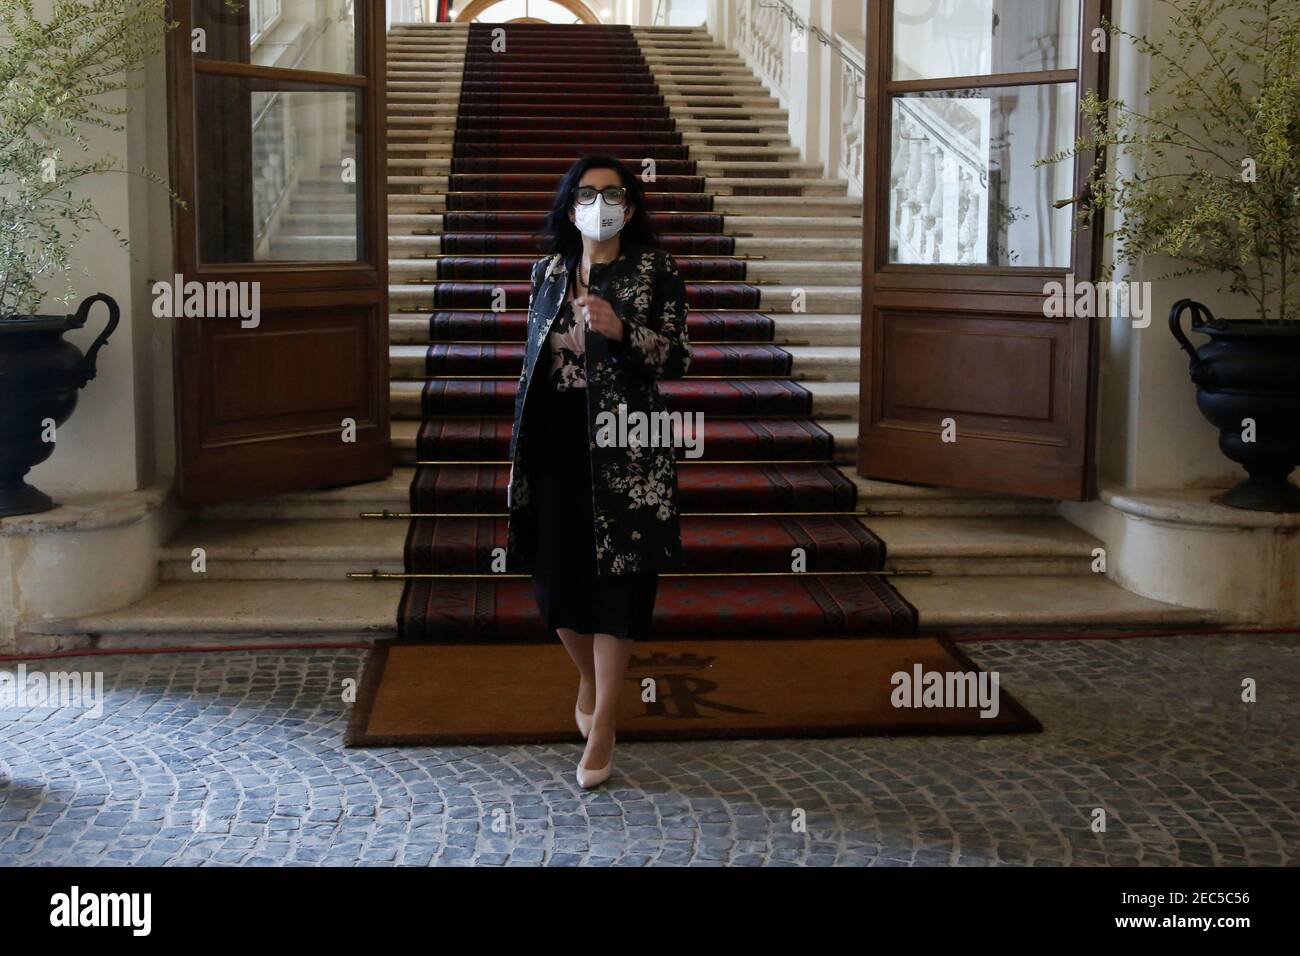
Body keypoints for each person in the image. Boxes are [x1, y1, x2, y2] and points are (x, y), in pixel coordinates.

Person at [505, 153, 692, 788]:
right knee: (557, 581)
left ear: (631, 207)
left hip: (627, 443)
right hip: (555, 442)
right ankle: (590, 678)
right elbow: (534, 358)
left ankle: (606, 720)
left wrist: (623, 330)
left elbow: (677, 358)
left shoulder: (655, 269)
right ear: (570, 205)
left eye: (613, 194)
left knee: (621, 582)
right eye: (587, 193)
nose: (600, 203)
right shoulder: (549, 270)